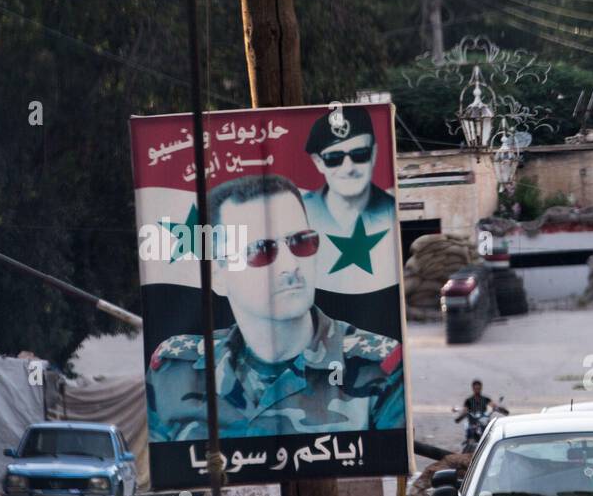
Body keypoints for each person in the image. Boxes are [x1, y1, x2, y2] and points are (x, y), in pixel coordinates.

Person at [146, 173, 404, 441]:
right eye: (261, 250)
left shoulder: (379, 368)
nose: (290, 266)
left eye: (300, 241)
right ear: (218, 275)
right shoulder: (174, 371)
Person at [301, 105, 395, 279]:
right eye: (333, 158)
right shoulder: (299, 214)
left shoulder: (392, 213)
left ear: (374, 154)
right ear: (318, 162)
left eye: (360, 154)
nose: (348, 168)